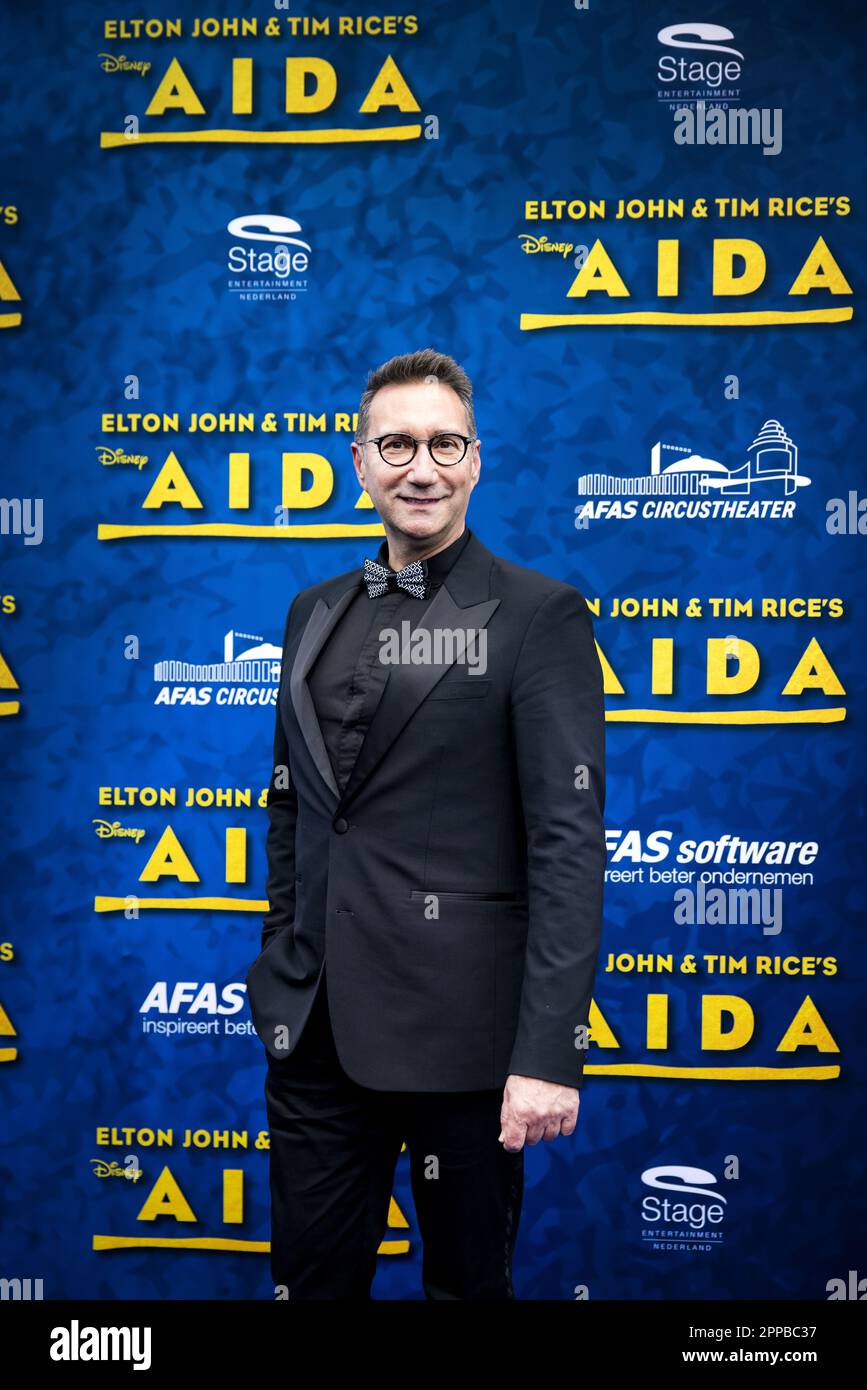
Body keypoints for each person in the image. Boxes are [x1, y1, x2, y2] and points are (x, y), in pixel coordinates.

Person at [246, 347, 606, 1300]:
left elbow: (568, 845)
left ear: (475, 461)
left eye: (445, 444)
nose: (422, 467)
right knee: (312, 1287)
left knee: (464, 1293)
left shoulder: (538, 616)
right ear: (358, 462)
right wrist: (282, 953)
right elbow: (296, 807)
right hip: (318, 1032)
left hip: (468, 1046)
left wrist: (546, 1054)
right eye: (397, 444)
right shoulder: (311, 612)